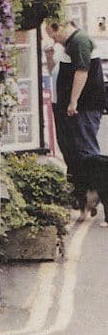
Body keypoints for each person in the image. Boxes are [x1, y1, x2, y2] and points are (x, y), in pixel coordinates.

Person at [45, 21, 107, 213]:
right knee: (75, 154)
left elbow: (82, 71)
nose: (53, 40)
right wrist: (49, 58)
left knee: (87, 153)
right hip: (68, 109)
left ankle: (97, 194)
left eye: (53, 34)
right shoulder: (67, 46)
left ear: (59, 27)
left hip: (84, 107)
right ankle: (84, 196)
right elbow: (55, 74)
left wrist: (73, 101)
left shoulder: (79, 40)